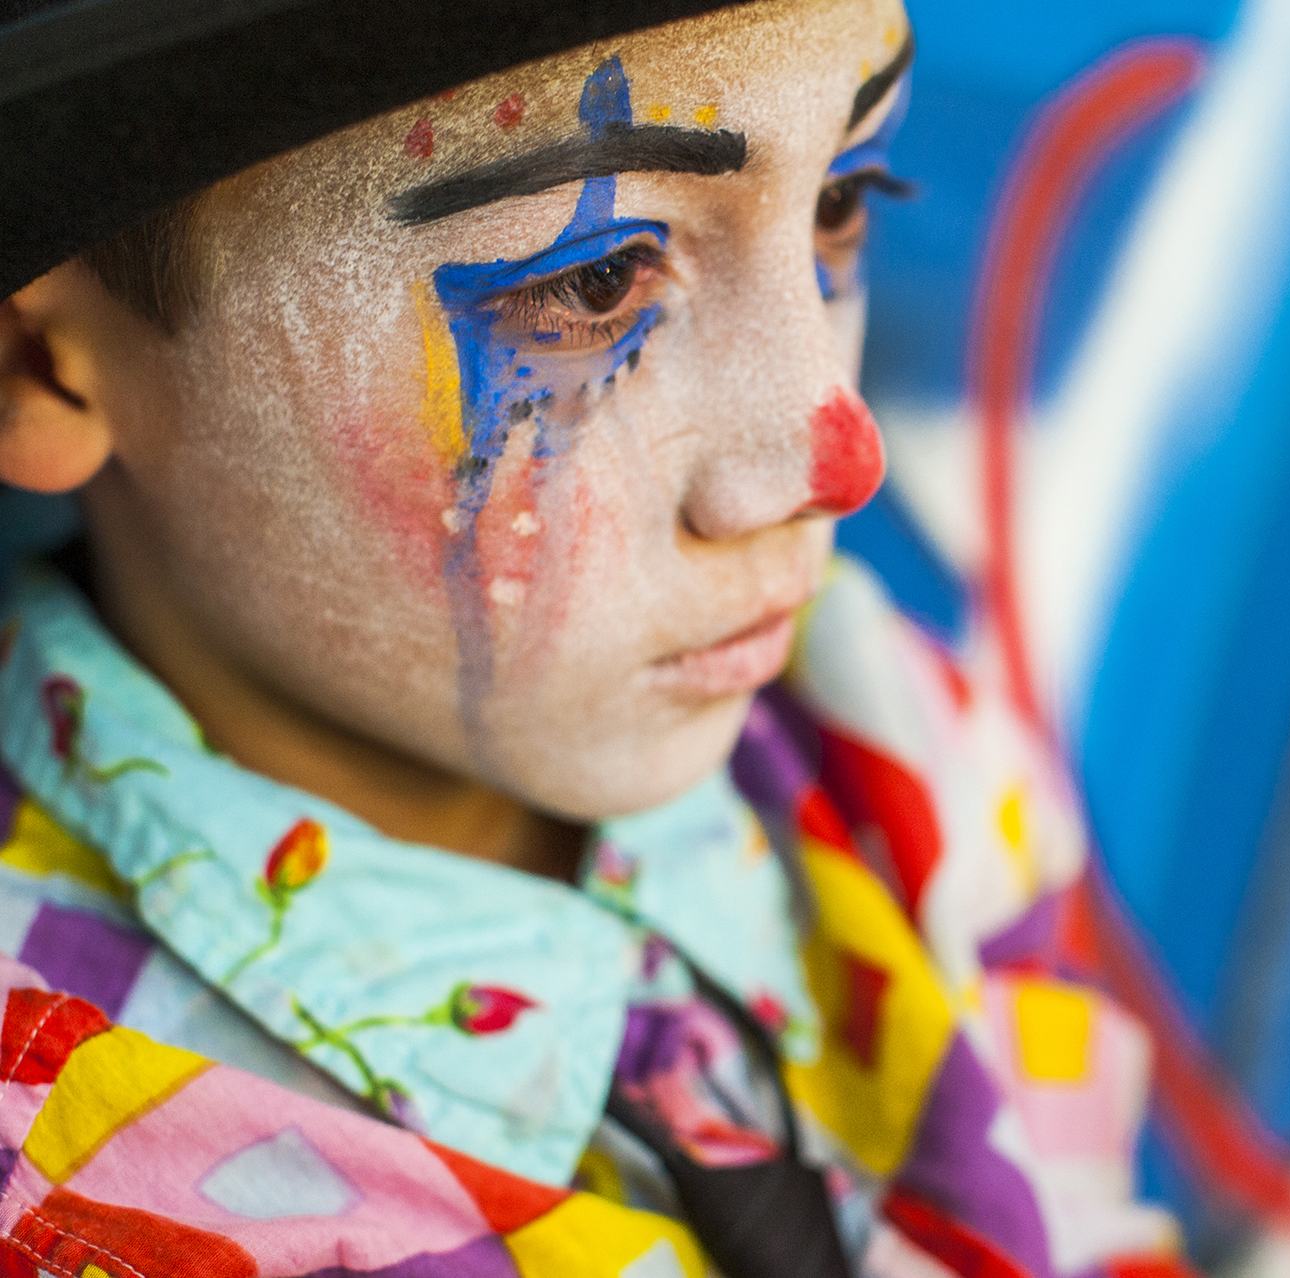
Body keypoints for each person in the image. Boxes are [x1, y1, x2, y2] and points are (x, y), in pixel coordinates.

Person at [0, 2, 1188, 1275]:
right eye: (591, 278)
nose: (829, 455)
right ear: (42, 368)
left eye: (839, 203)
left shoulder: (883, 725)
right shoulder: (71, 1197)